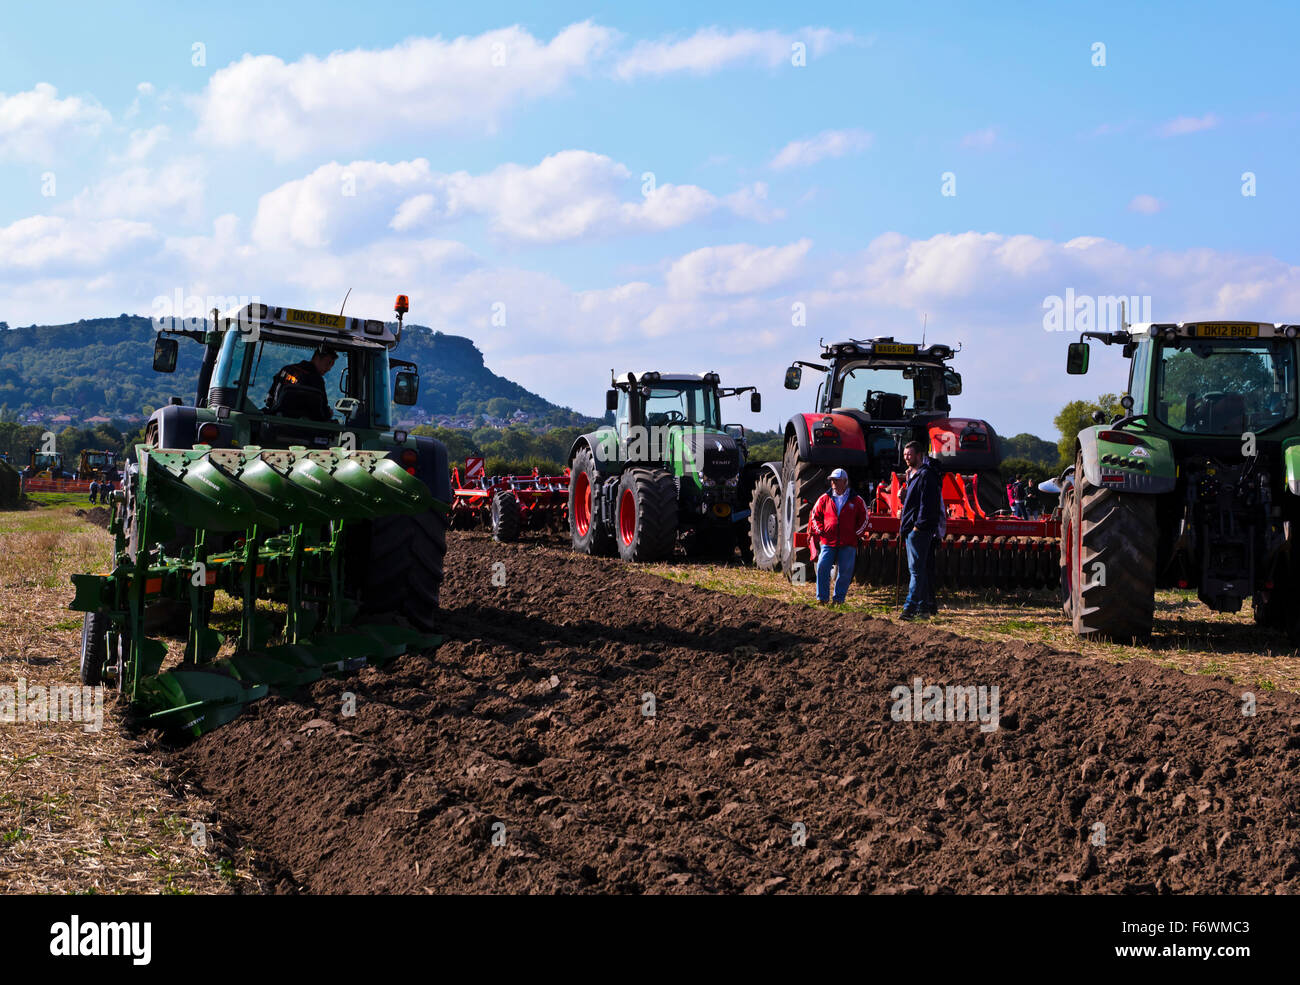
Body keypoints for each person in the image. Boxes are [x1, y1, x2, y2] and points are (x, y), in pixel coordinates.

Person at [808, 468, 868, 605]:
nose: (833, 483)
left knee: (845, 572)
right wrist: (821, 531)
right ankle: (822, 599)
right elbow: (815, 516)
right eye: (832, 480)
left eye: (836, 480)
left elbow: (865, 518)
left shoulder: (857, 500)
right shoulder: (824, 498)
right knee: (822, 567)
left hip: (848, 542)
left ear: (845, 482)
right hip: (828, 541)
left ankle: (838, 600)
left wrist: (856, 534)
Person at [899, 440, 943, 620]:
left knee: (916, 571)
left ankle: (909, 609)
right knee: (920, 570)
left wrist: (918, 526)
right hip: (912, 529)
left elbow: (927, 505)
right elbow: (914, 503)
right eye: (904, 455)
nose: (906, 458)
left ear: (919, 455)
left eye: (909, 454)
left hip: (918, 531)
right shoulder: (914, 475)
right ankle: (923, 609)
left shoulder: (926, 475)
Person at [265, 345, 337, 421]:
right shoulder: (316, 380)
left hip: (274, 421)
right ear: (317, 358)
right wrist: (329, 413)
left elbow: (270, 399)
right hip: (299, 427)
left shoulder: (286, 370)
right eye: (328, 363)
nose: (329, 369)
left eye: (331, 365)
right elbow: (321, 412)